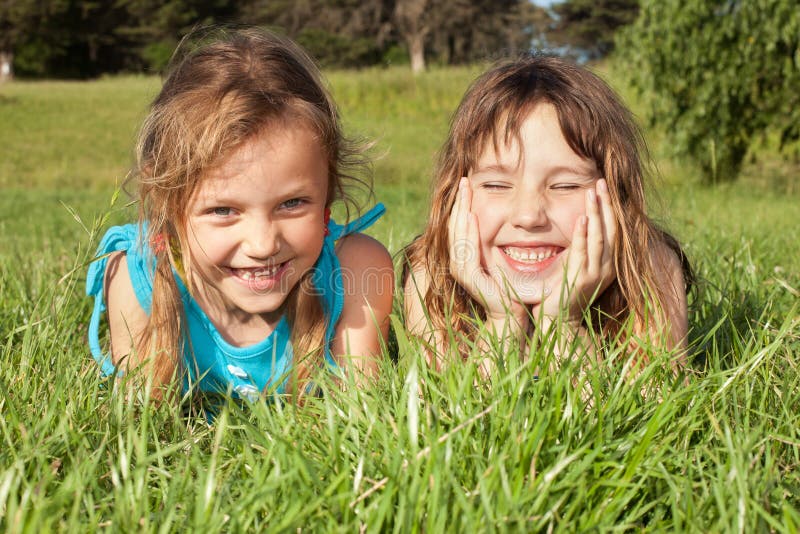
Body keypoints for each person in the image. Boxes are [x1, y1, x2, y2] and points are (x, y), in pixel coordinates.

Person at [86, 28, 393, 402]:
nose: (263, 245)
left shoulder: (356, 272)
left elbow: (360, 412)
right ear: (170, 208)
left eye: (292, 203)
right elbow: (138, 427)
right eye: (223, 210)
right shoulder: (138, 280)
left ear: (328, 194)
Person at [403, 55, 692, 375]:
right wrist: (504, 319)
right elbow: (459, 415)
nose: (528, 216)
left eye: (565, 185)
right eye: (497, 185)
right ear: (457, 195)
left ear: (615, 194)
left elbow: (645, 414)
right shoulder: (431, 270)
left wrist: (562, 322)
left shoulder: (650, 265)